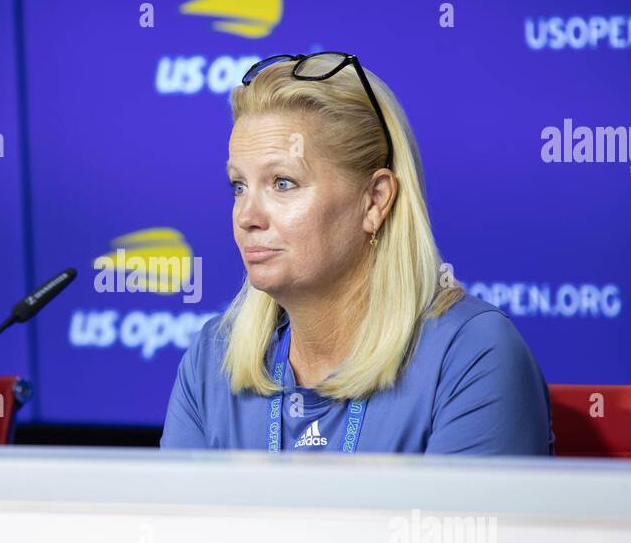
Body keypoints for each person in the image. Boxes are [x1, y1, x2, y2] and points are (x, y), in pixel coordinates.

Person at [161, 52, 552, 454]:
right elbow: (169, 517)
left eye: (282, 183)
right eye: (239, 186)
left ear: (374, 201)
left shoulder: (471, 355)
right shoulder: (212, 361)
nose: (246, 216)